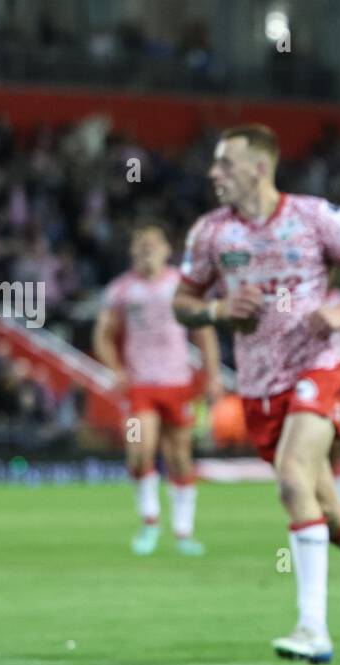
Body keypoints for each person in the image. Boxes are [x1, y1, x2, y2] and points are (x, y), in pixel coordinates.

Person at [173, 125, 340, 664]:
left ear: (260, 167)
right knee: (323, 504)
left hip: (317, 369)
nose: (214, 174)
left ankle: (312, 628)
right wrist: (215, 311)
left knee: (290, 479)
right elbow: (181, 302)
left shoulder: (315, 217)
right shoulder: (211, 235)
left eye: (225, 164)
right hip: (258, 386)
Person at [93, 224, 222, 556]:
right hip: (140, 385)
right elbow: (102, 334)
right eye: (140, 245)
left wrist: (213, 374)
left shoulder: (181, 285)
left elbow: (203, 332)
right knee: (140, 447)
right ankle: (149, 523)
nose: (145, 250)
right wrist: (116, 368)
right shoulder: (121, 290)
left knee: (180, 457)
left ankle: (183, 533)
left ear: (166, 249)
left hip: (178, 383)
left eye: (152, 244)